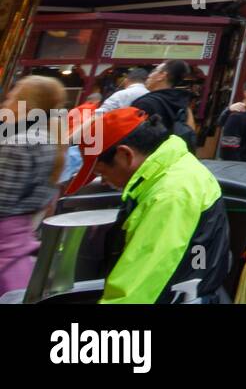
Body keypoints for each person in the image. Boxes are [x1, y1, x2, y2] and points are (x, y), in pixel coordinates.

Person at [66, 108, 230, 303]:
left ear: (125, 155)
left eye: (102, 172)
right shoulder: (177, 167)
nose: (103, 181)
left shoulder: (169, 194)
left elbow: (137, 288)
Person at [0, 76, 67, 295]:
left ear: (24, 105)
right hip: (19, 235)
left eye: (12, 96)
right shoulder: (48, 138)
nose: (5, 102)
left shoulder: (18, 143)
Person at [133, 59, 197, 150]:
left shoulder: (146, 103)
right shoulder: (185, 106)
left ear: (162, 76)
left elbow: (133, 139)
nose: (149, 75)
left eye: (154, 71)